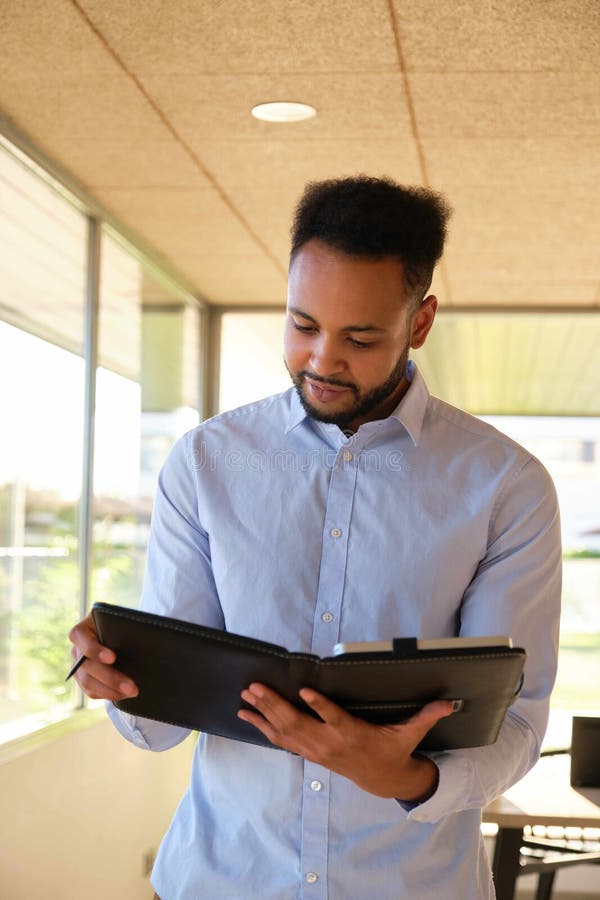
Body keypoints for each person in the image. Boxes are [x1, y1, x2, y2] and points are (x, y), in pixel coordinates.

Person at [69, 176, 562, 900]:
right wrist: (118, 680)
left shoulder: (505, 486)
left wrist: (408, 777)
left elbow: (515, 720)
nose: (323, 360)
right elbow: (160, 723)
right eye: (303, 325)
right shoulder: (206, 462)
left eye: (360, 338)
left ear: (420, 322)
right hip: (218, 881)